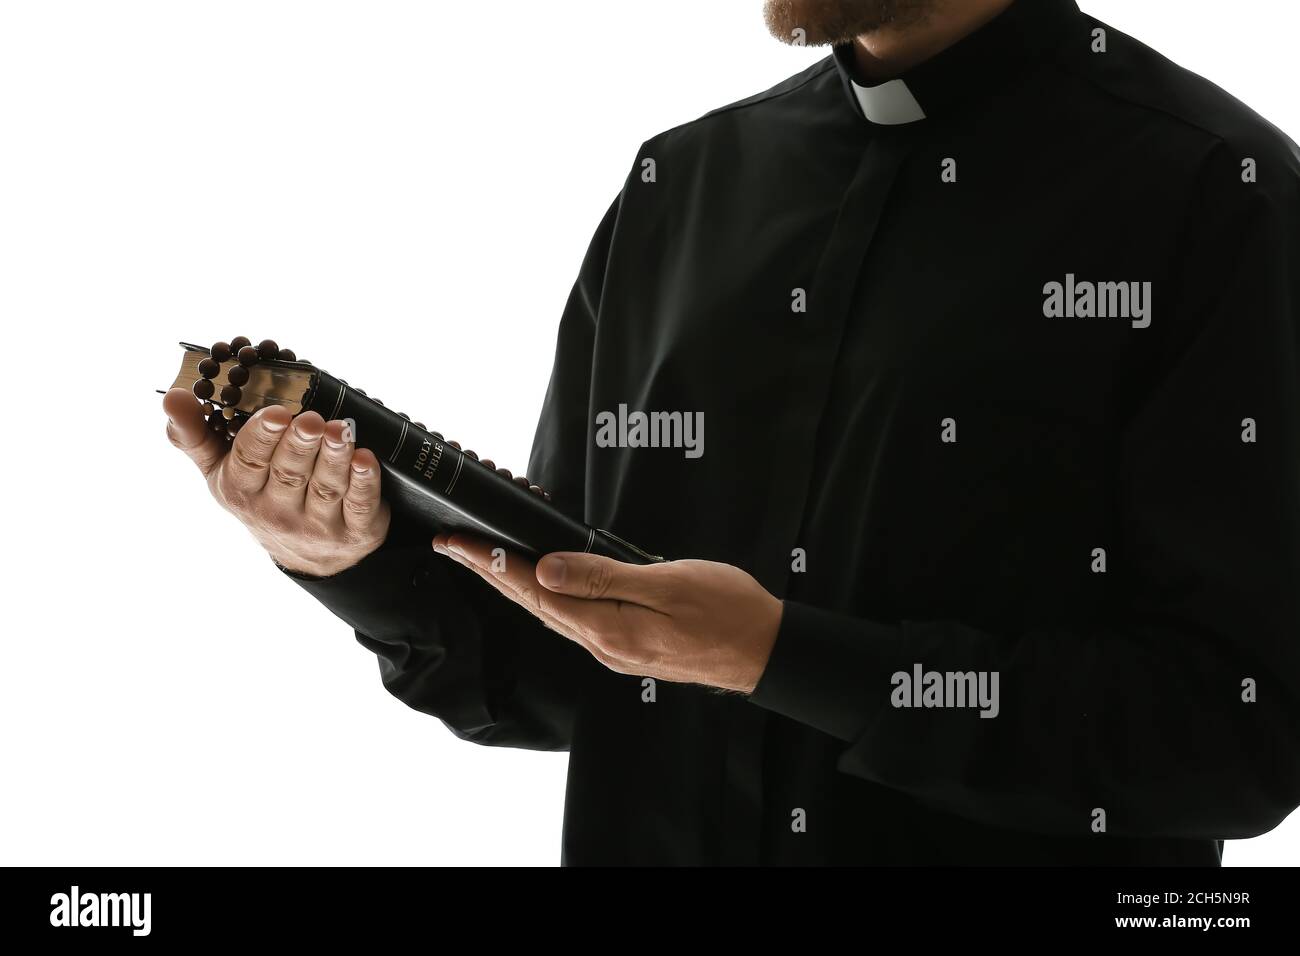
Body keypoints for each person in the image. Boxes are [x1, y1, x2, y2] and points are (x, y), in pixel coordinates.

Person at [163, 0, 1300, 865]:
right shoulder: (682, 183)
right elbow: (576, 670)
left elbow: (1231, 739)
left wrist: (777, 655)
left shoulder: (1218, 198)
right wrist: (350, 558)